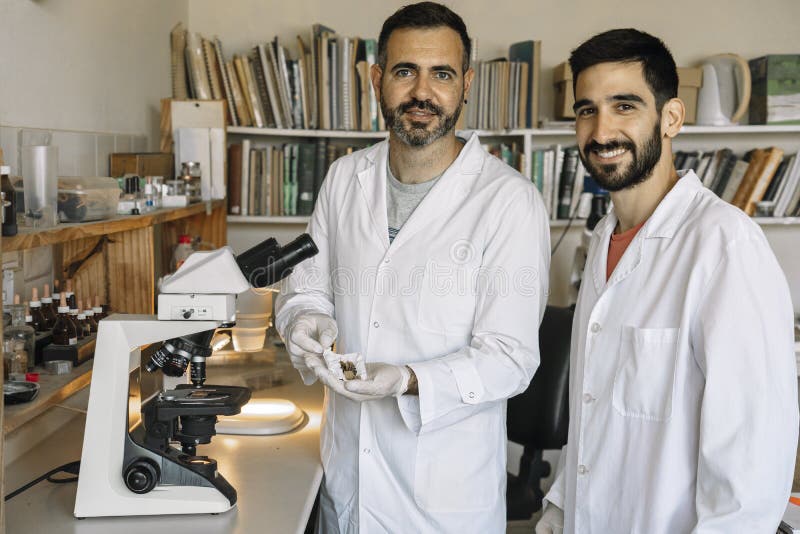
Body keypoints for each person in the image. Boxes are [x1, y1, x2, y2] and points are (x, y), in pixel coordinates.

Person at [275, 2, 550, 532]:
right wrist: (303, 320)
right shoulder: (343, 178)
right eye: (405, 71)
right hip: (348, 481)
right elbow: (306, 289)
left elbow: (511, 358)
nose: (422, 92)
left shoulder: (509, 201)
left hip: (444, 498)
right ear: (378, 79)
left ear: (465, 84)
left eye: (441, 74)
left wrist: (407, 379)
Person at [535, 29, 798, 534]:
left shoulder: (724, 245)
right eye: (586, 109)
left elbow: (752, 460)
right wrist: (562, 505)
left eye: (625, 105)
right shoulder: (602, 242)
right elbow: (592, 411)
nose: (601, 130)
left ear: (671, 117)